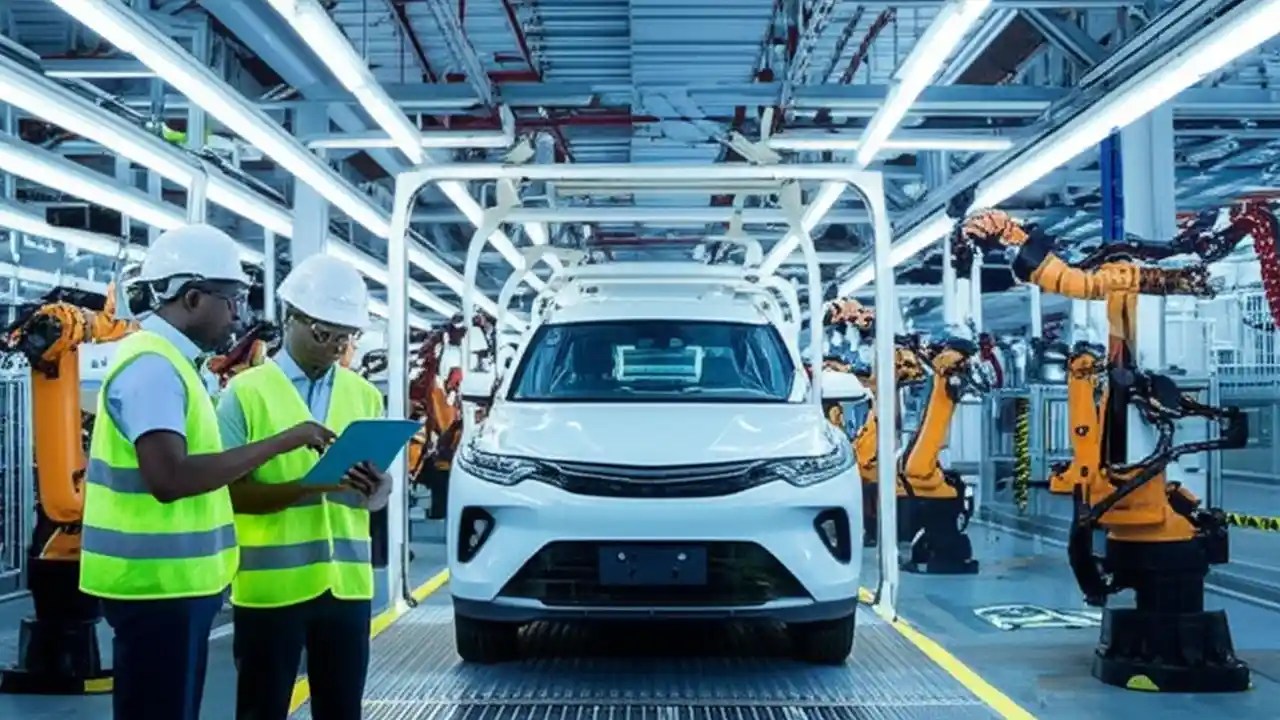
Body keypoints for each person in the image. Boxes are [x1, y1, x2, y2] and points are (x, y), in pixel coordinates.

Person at [81, 224, 336, 720]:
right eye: (232, 298)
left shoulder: (177, 364)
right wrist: (283, 441)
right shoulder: (152, 367)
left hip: (173, 587)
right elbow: (170, 477)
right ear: (193, 297)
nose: (239, 314)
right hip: (157, 588)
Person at [216, 253, 391, 720]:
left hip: (348, 590)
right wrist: (310, 488)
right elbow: (227, 495)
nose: (336, 346)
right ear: (291, 319)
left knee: (341, 710)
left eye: (346, 336)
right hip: (272, 591)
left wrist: (379, 490)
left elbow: (374, 495)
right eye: (324, 333)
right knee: (261, 708)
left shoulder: (365, 395)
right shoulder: (244, 394)